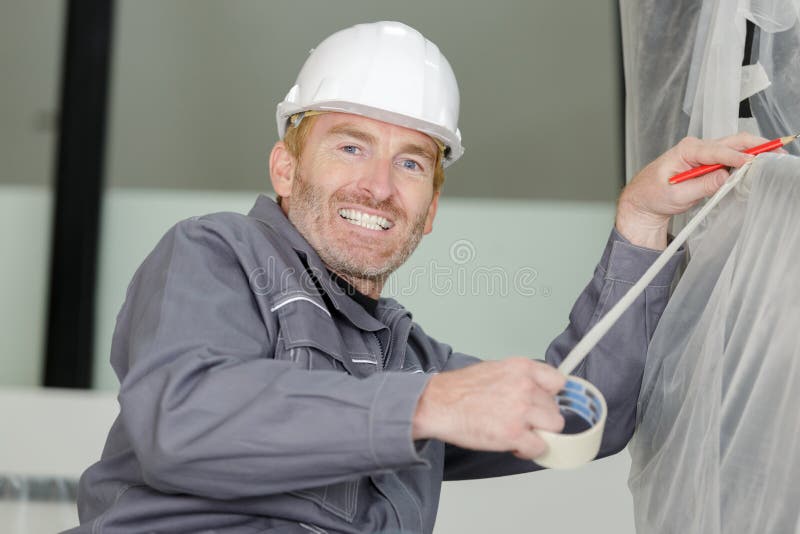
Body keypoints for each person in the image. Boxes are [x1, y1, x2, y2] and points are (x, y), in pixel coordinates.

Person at [67, 21, 764, 534]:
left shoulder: (402, 356)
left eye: (410, 164)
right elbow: (185, 415)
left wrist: (640, 221)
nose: (378, 187)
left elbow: (582, 415)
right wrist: (428, 405)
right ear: (285, 169)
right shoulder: (215, 255)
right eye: (349, 146)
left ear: (430, 209)